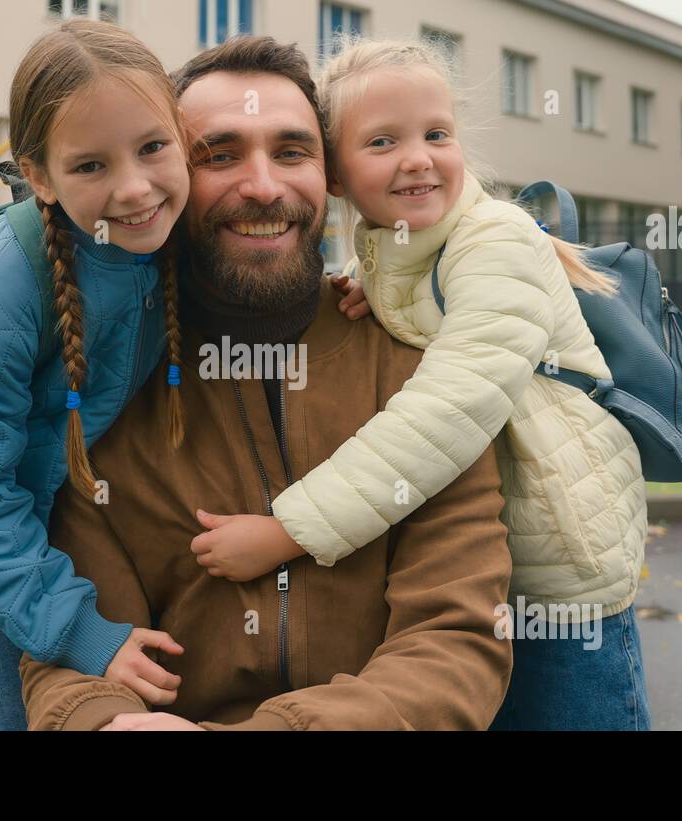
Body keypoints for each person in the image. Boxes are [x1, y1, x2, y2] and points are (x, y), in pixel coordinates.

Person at [19, 35, 513, 731]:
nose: (262, 185)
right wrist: (104, 720)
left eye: (291, 152)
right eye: (219, 155)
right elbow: (70, 641)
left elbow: (458, 640)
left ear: (331, 174)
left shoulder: (422, 368)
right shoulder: (103, 389)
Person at [193, 37, 651, 730]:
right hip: (490, 566)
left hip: (559, 578)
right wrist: (366, 291)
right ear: (337, 176)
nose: (417, 156)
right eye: (383, 141)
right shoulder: (387, 250)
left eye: (436, 133)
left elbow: (449, 409)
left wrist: (290, 529)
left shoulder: (496, 241)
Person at [0, 19, 194, 730]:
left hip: (46, 499)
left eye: (152, 147)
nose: (135, 188)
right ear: (38, 177)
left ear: (182, 135)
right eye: (91, 166)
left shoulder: (171, 231)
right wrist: (81, 631)